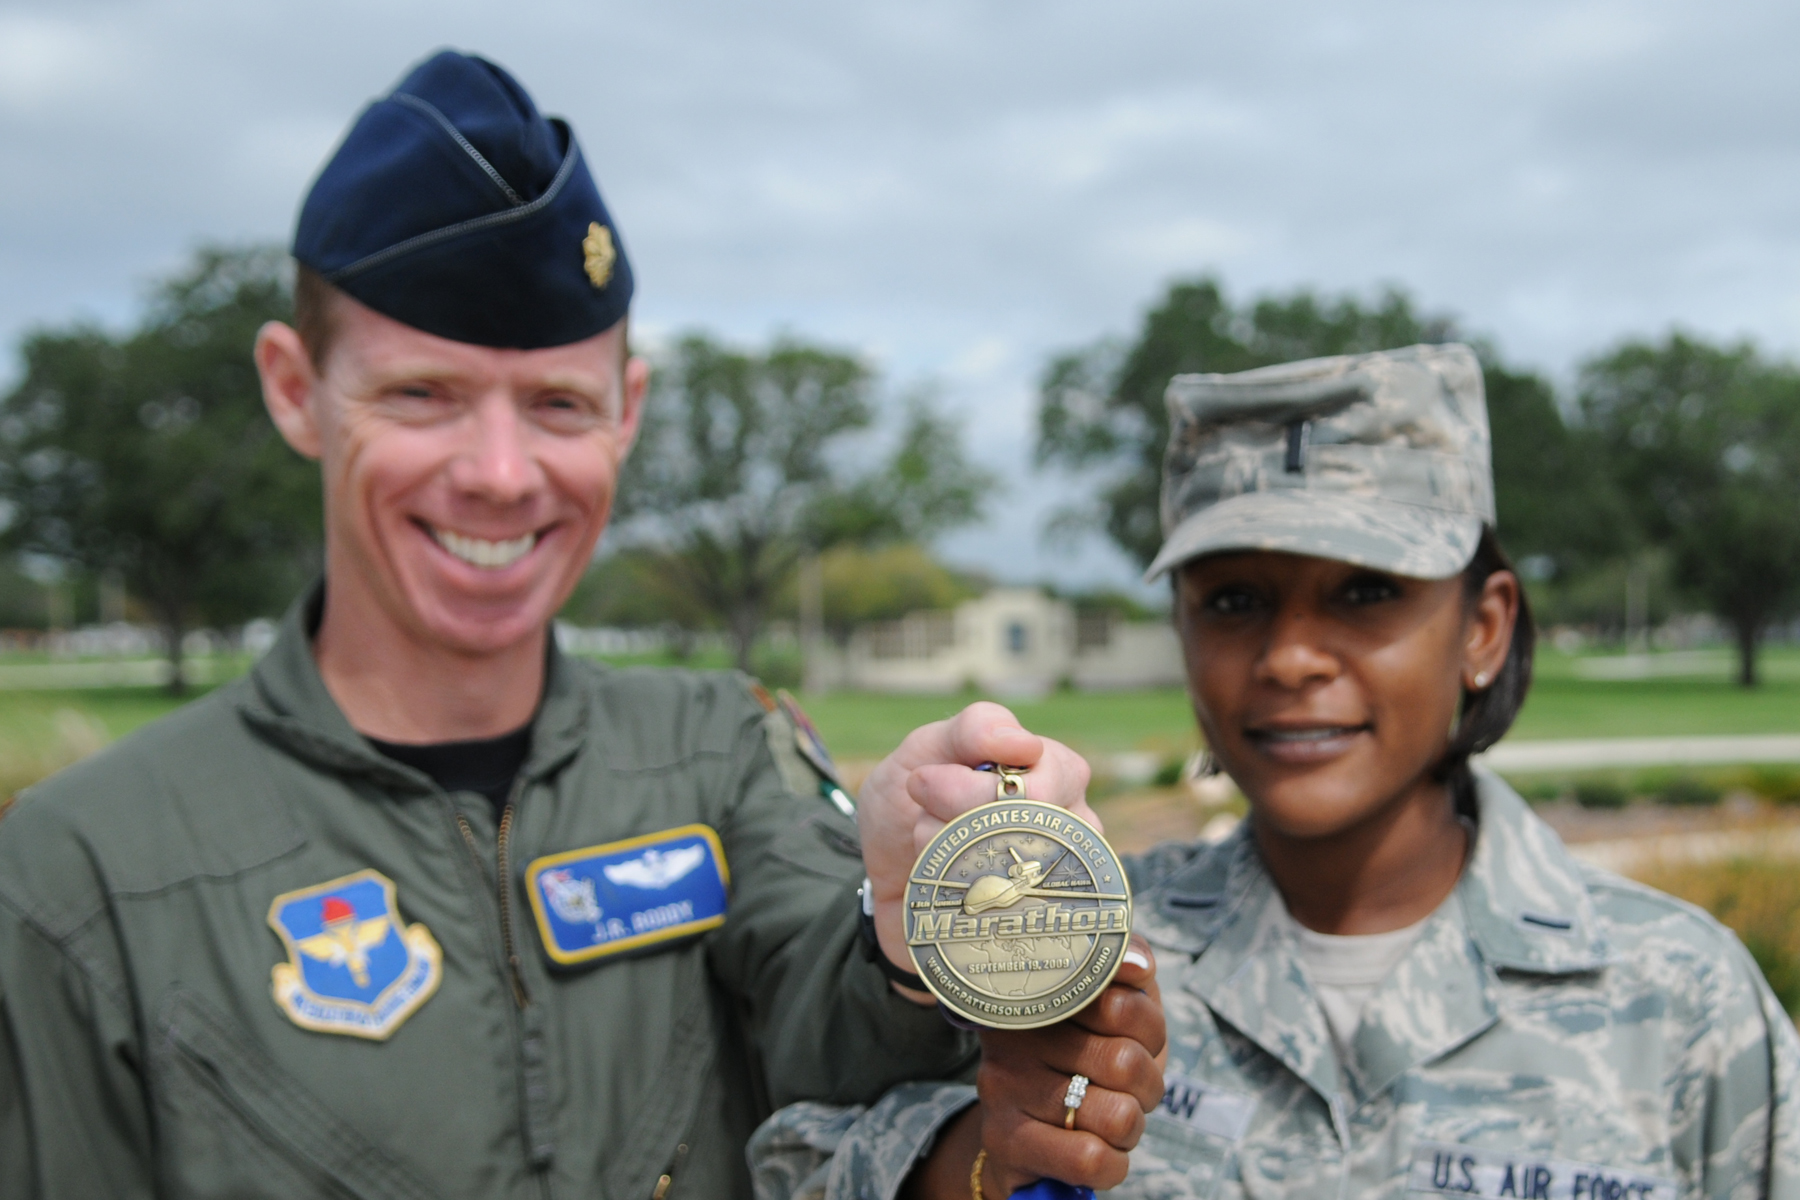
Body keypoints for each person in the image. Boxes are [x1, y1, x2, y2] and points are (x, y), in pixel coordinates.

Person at [0, 49, 1155, 1199]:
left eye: (557, 404)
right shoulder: (83, 870)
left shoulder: (719, 747)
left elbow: (829, 1019)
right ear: (296, 388)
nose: (502, 475)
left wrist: (903, 931)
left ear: (628, 411)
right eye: (423, 394)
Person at [749, 343, 1800, 1199]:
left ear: (1483, 628)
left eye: (1364, 593)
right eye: (1235, 601)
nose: (1290, 657)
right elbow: (792, 1164)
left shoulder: (1683, 999)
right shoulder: (1063, 956)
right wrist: (979, 1159)